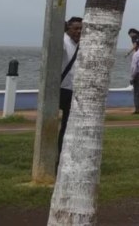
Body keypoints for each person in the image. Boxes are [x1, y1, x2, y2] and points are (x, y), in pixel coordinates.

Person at [57, 16, 82, 167]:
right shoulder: (64, 42)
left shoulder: (79, 44)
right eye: (76, 28)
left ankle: (62, 156)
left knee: (68, 126)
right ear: (68, 28)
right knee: (60, 125)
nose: (79, 31)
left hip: (72, 89)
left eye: (81, 29)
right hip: (61, 89)